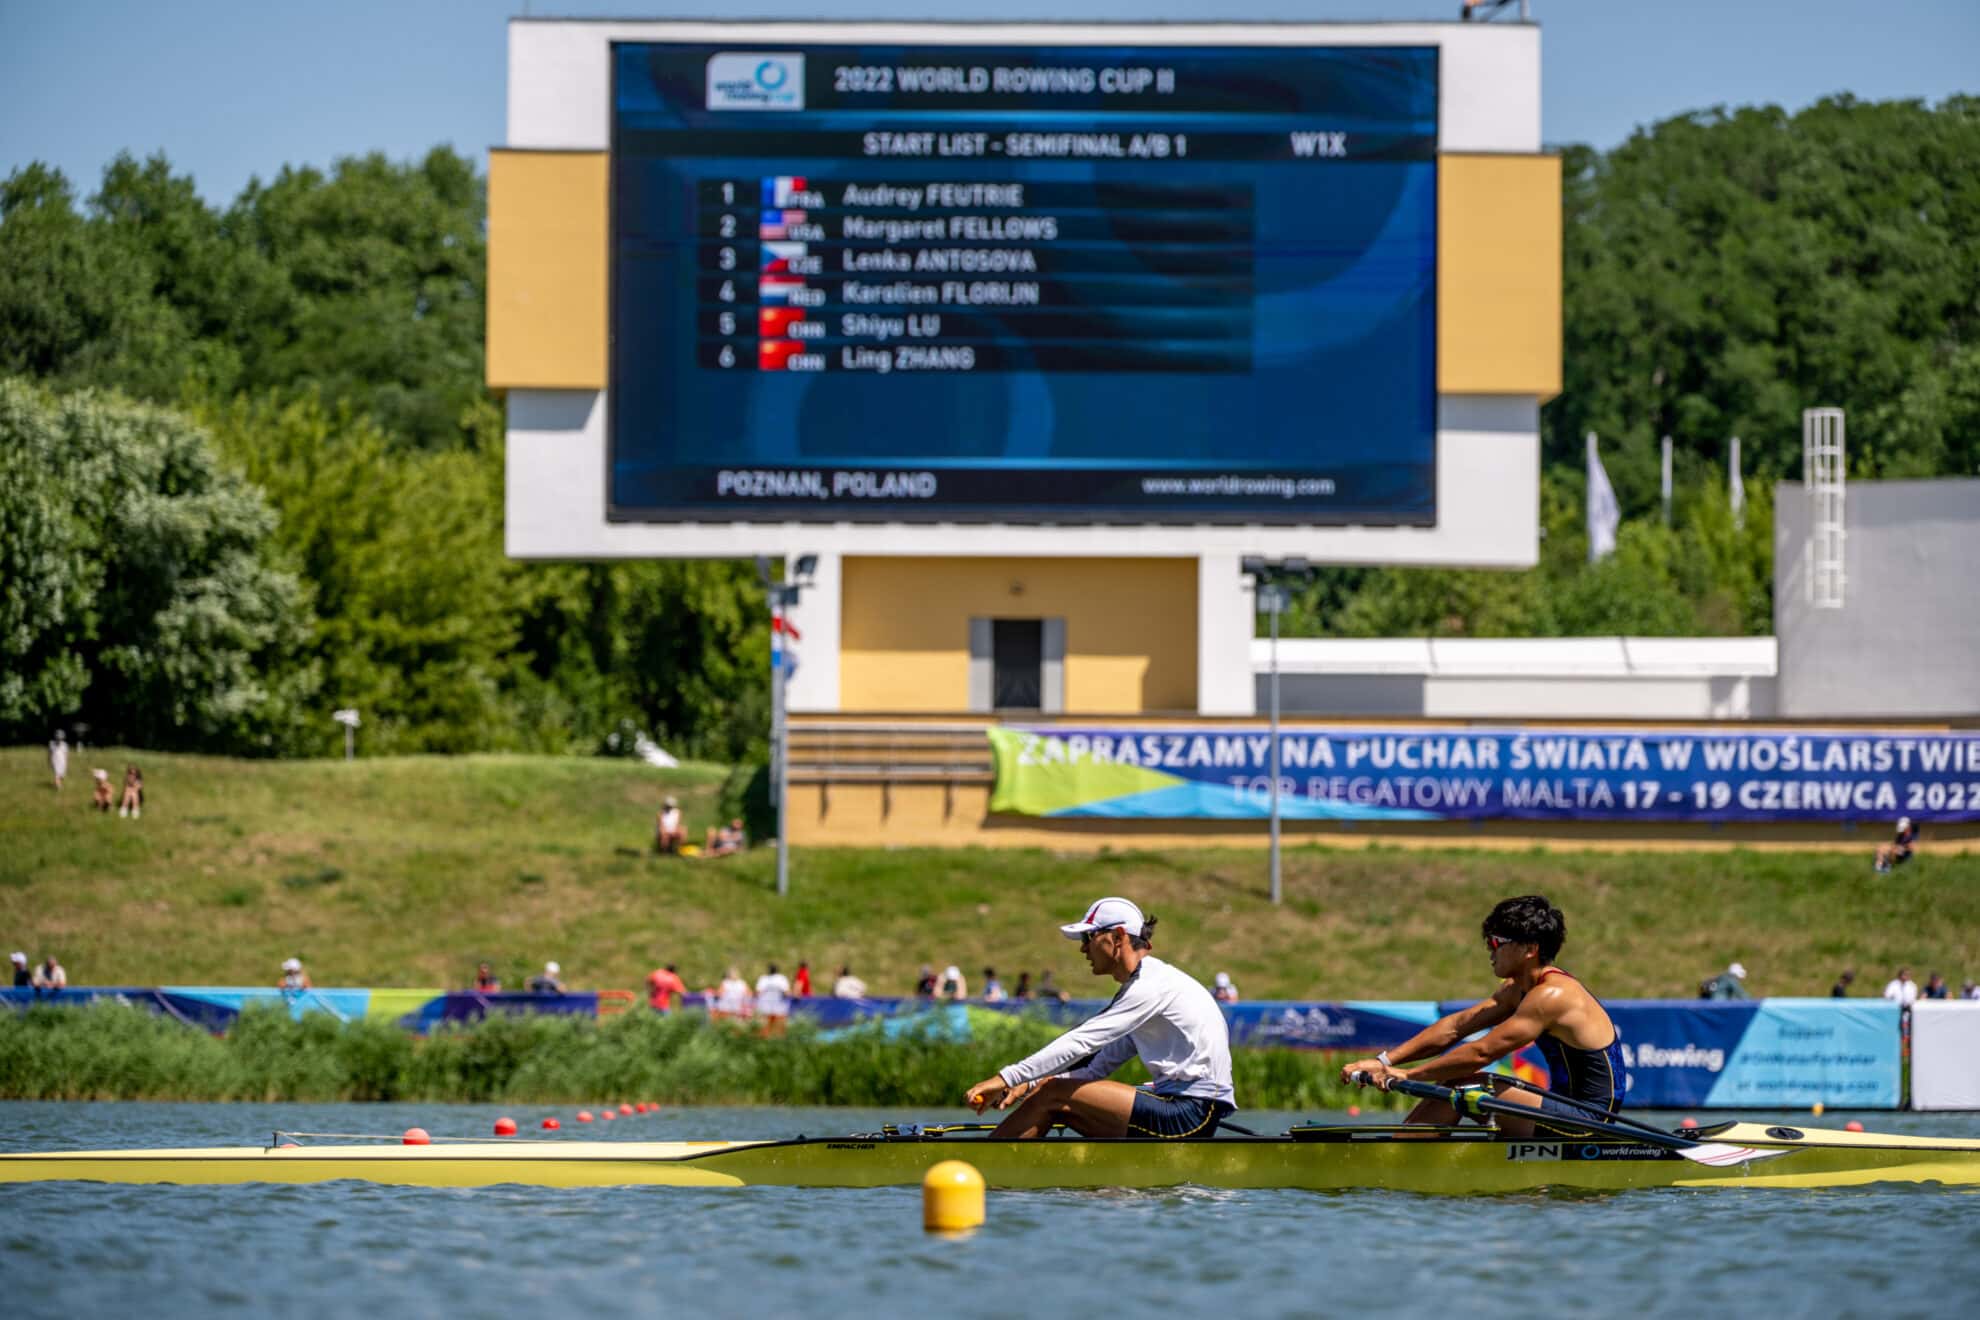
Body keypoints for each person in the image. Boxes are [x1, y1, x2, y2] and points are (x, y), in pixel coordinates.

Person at [1343, 894, 1625, 1139]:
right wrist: (1384, 1062)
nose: (1490, 950)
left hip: (1589, 1123)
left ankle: (1397, 1162)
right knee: (1460, 1083)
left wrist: (1408, 1075)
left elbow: (1482, 1052)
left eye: (1496, 942)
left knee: (1466, 1084)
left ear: (1530, 949)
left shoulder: (1553, 996)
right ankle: (1402, 1152)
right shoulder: (1517, 989)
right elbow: (1456, 1027)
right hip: (1560, 1107)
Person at [964, 897, 1235, 1140]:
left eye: (1088, 937)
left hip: (1191, 1112)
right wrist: (1029, 1083)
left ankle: (987, 1166)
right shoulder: (1145, 988)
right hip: (1186, 1105)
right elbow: (1097, 1066)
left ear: (1117, 937)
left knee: (1053, 1093)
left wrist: (1006, 1078)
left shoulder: (1150, 987)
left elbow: (1081, 1042)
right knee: (1051, 1089)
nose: (1083, 949)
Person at [756, 962, 792, 1032]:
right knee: (778, 1027)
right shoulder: (781, 979)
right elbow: (787, 992)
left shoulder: (763, 979)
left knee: (766, 1026)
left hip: (766, 1007)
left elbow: (758, 992)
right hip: (778, 1007)